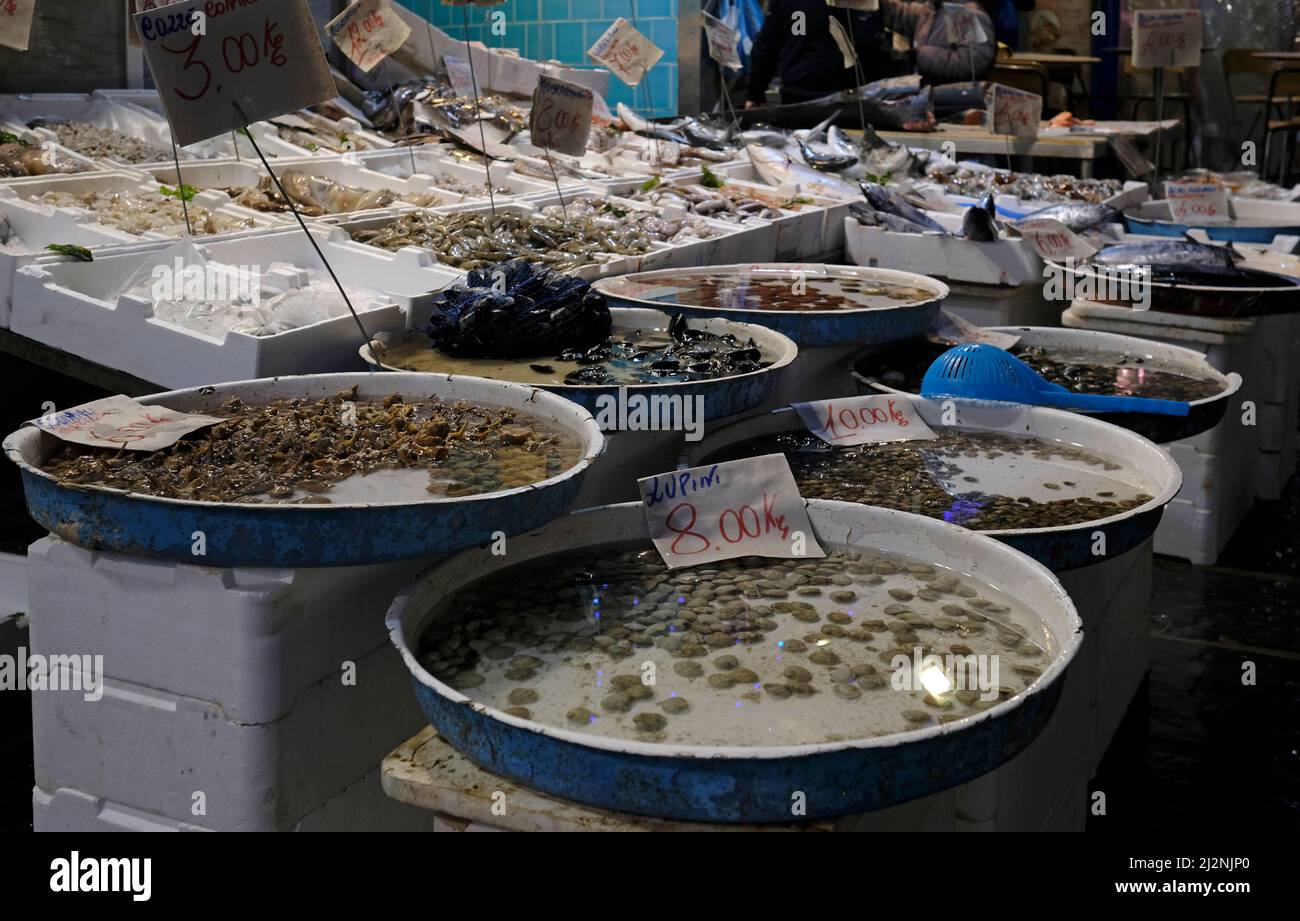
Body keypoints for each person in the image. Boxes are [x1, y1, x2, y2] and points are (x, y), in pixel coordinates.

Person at [745, 1, 886, 108]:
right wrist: (755, 92)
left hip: (809, 96)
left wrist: (755, 93)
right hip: (845, 98)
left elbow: (767, 45)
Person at [879, 0, 997, 84]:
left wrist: (920, 56)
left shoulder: (961, 12)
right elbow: (903, 14)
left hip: (955, 107)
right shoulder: (935, 8)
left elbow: (970, 64)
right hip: (934, 102)